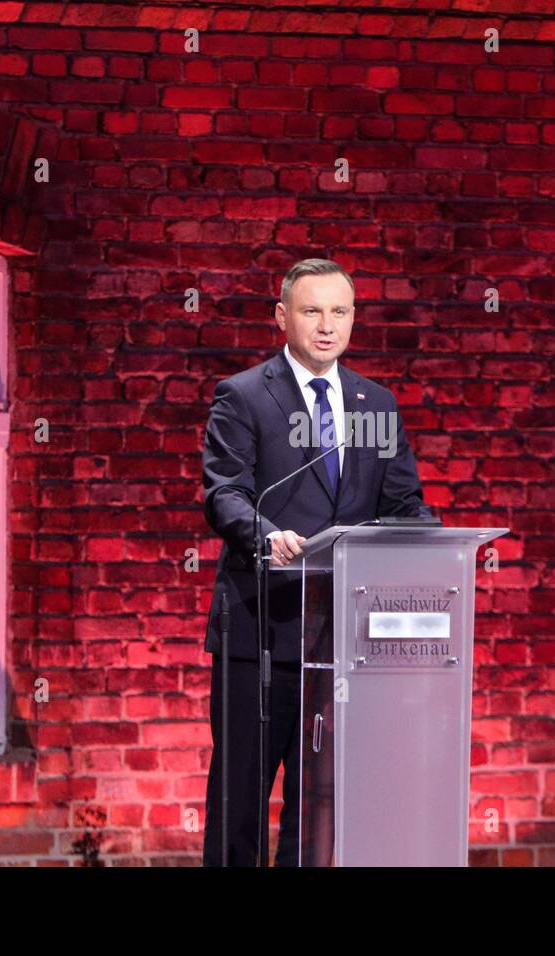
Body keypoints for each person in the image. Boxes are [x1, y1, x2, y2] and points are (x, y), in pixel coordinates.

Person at [200, 258, 434, 866]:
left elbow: (404, 502)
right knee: (241, 803)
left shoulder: (374, 403)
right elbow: (225, 491)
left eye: (339, 311)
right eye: (311, 311)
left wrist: (436, 543)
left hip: (342, 640)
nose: (326, 325)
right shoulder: (245, 395)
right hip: (260, 635)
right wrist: (267, 534)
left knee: (321, 805)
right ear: (283, 317)